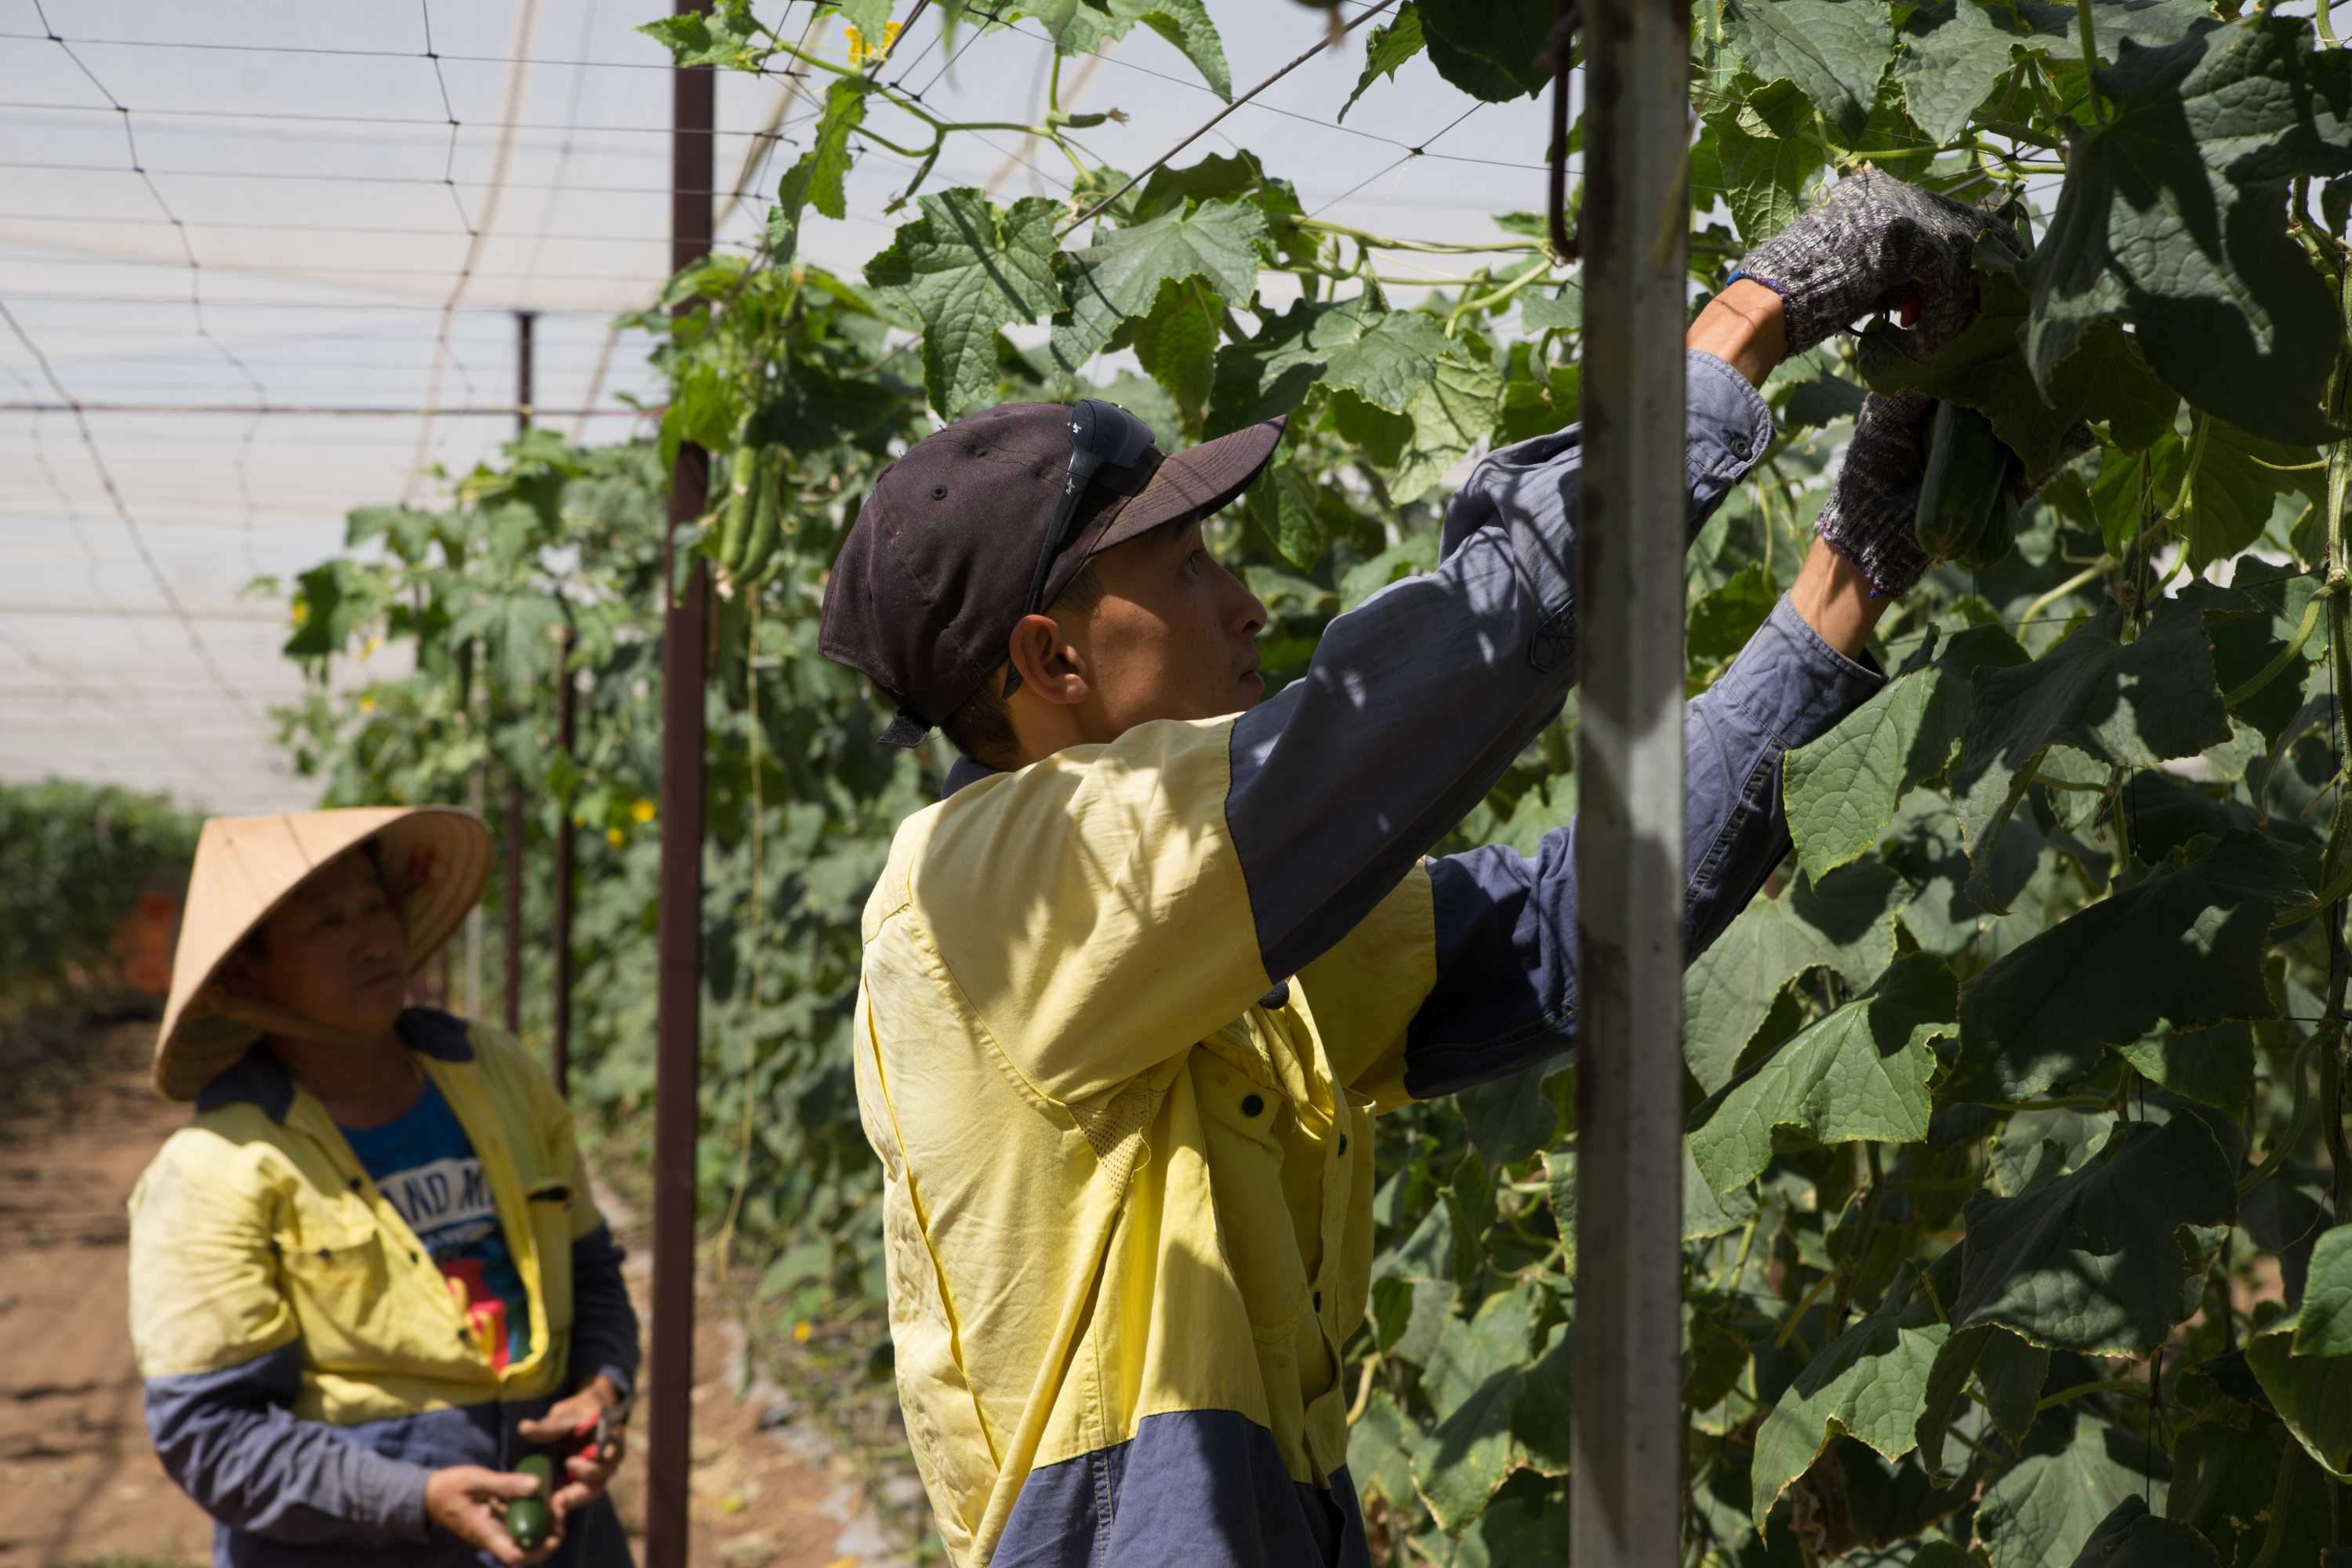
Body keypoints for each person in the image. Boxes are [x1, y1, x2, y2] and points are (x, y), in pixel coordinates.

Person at [812, 170, 1995, 1566]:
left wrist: (1851, 568)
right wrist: (1745, 325)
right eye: (1187, 567)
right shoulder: (999, 887)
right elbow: (1443, 678)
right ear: (1049, 661)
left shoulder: (1187, 921)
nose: (1245, 601)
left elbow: (1571, 929)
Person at [125, 807, 641, 1567]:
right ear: (248, 973)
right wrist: (410, 1494)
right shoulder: (214, 1168)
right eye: (327, 922)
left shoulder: (496, 1072)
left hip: (562, 1534)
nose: (373, 937)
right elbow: (211, 1434)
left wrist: (600, 1390)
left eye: (374, 905)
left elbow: (592, 1271)